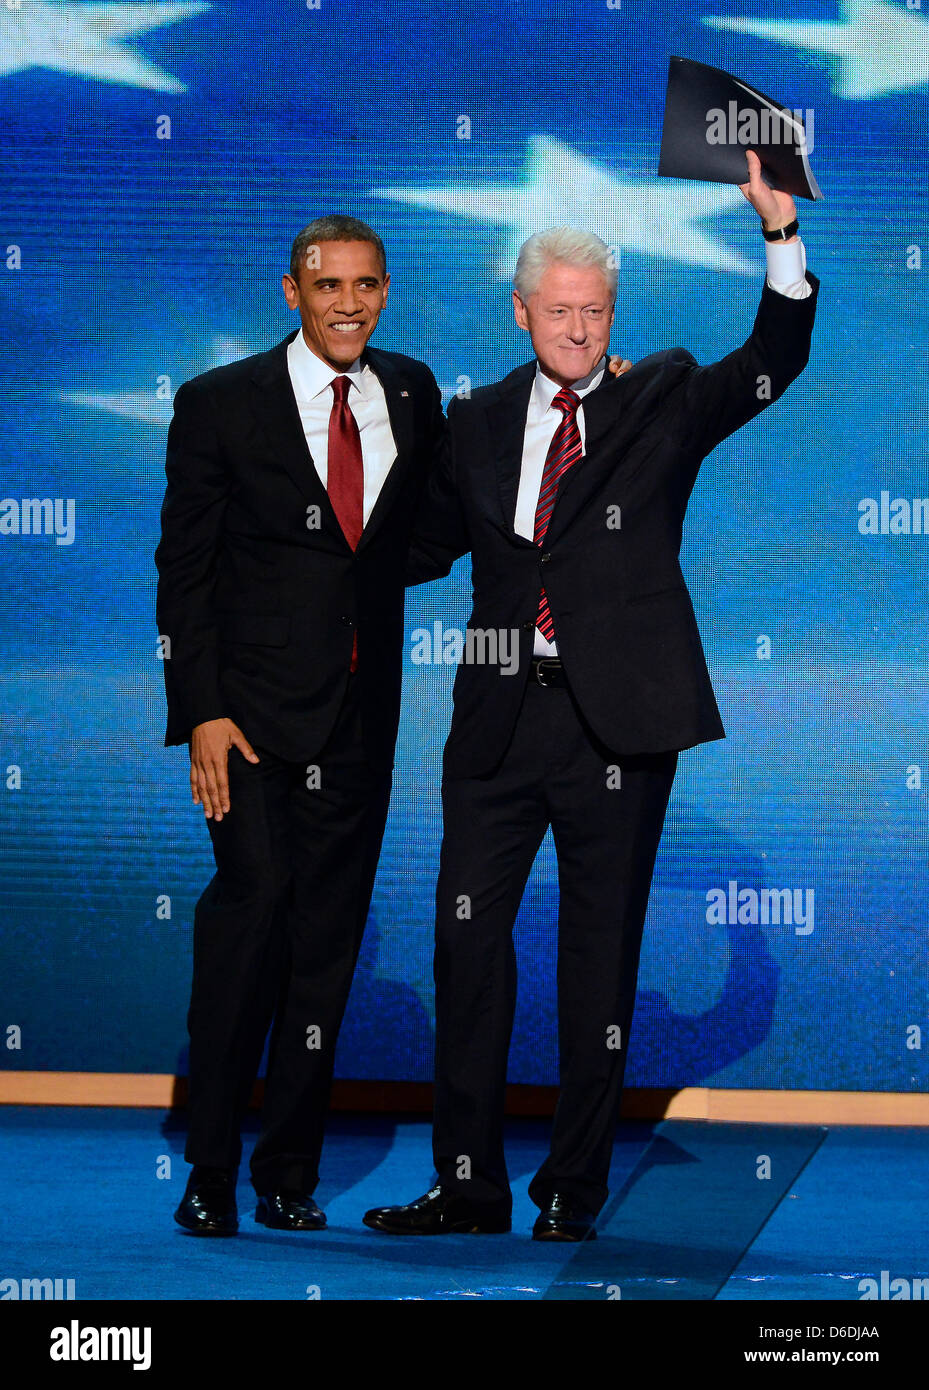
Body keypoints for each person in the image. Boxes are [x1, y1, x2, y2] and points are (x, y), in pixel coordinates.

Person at [363, 151, 819, 1241]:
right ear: (521, 310)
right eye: (559, 310)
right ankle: (466, 1185)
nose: (577, 328)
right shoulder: (469, 425)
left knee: (595, 953)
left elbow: (770, 358)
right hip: (495, 728)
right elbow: (409, 550)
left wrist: (775, 237)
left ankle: (569, 1188)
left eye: (595, 310)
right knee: (466, 945)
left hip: (619, 723)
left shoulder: (659, 398)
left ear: (613, 312)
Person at [155, 215, 446, 1235]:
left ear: (384, 291)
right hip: (247, 725)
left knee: (324, 948)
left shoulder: (410, 391)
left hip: (359, 723)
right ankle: (207, 1167)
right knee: (252, 914)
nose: (349, 304)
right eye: (328, 287)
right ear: (292, 293)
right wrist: (200, 712)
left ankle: (286, 1173)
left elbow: (426, 528)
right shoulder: (218, 402)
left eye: (367, 285)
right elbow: (183, 575)